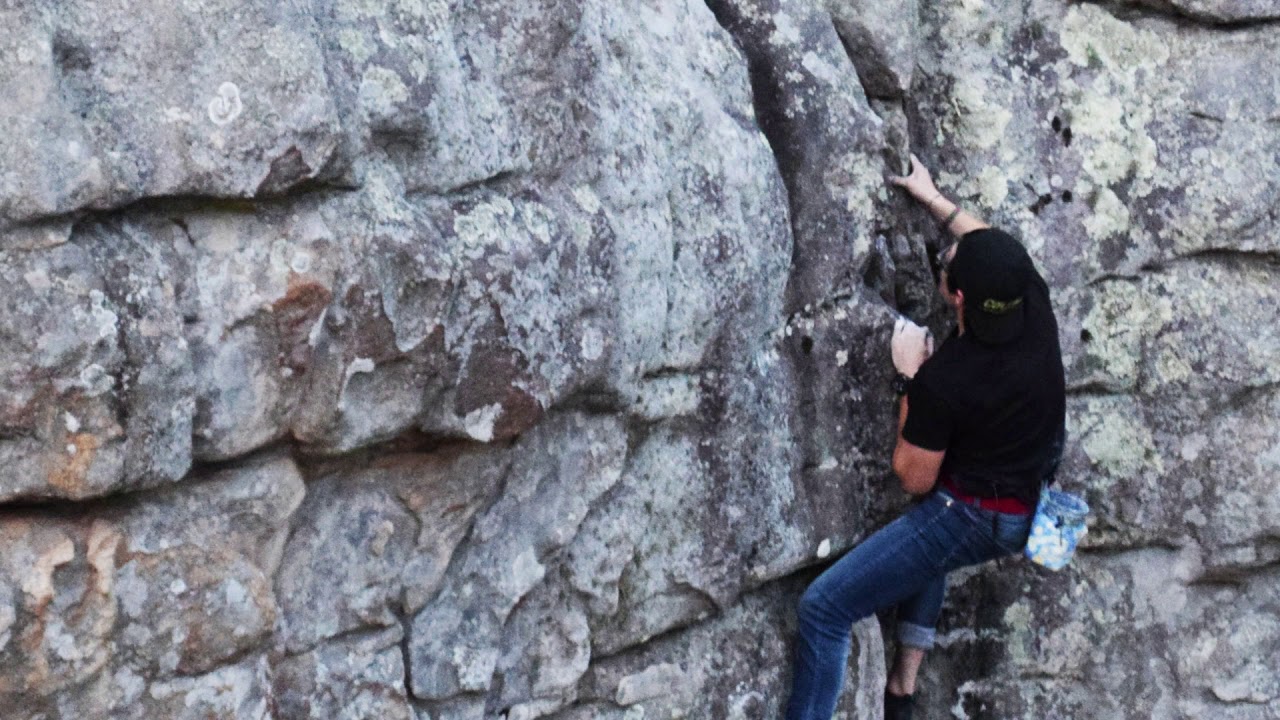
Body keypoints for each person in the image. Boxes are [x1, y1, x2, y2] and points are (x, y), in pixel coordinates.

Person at [783, 154, 1067, 720]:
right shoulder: (1030, 301)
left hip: (977, 515)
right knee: (924, 548)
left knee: (825, 607)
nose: (948, 253)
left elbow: (913, 477)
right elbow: (988, 244)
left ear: (956, 297)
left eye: (947, 263)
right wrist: (933, 199)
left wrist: (911, 376)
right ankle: (903, 687)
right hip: (1028, 494)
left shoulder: (948, 377)